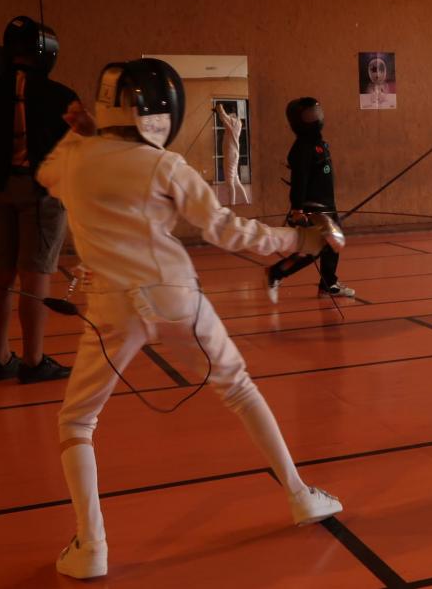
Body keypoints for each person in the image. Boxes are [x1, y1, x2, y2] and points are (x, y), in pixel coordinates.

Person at [37, 59, 343, 579]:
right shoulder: (164, 165)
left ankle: (92, 547)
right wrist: (301, 239)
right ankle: (299, 496)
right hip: (177, 298)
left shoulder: (75, 160)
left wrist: (79, 135)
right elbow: (225, 230)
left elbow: (47, 176)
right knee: (239, 389)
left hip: (110, 307)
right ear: (162, 111)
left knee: (76, 422)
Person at [0, 16, 84, 384]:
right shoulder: (61, 96)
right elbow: (88, 140)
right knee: (35, 276)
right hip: (40, 194)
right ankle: (33, 360)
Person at [264, 97, 354, 303]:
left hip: (327, 205)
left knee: (329, 245)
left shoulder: (317, 143)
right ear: (298, 121)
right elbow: (299, 180)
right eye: (309, 115)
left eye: (316, 113)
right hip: (314, 208)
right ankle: (276, 273)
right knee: (319, 247)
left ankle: (327, 284)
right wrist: (298, 209)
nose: (315, 118)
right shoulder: (303, 148)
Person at [214, 102, 250, 205]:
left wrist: (218, 107)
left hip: (230, 154)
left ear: (230, 113)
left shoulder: (232, 121)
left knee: (230, 182)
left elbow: (222, 113)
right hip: (234, 154)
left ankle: (232, 205)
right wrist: (218, 112)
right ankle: (246, 202)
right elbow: (223, 116)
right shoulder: (238, 122)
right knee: (236, 181)